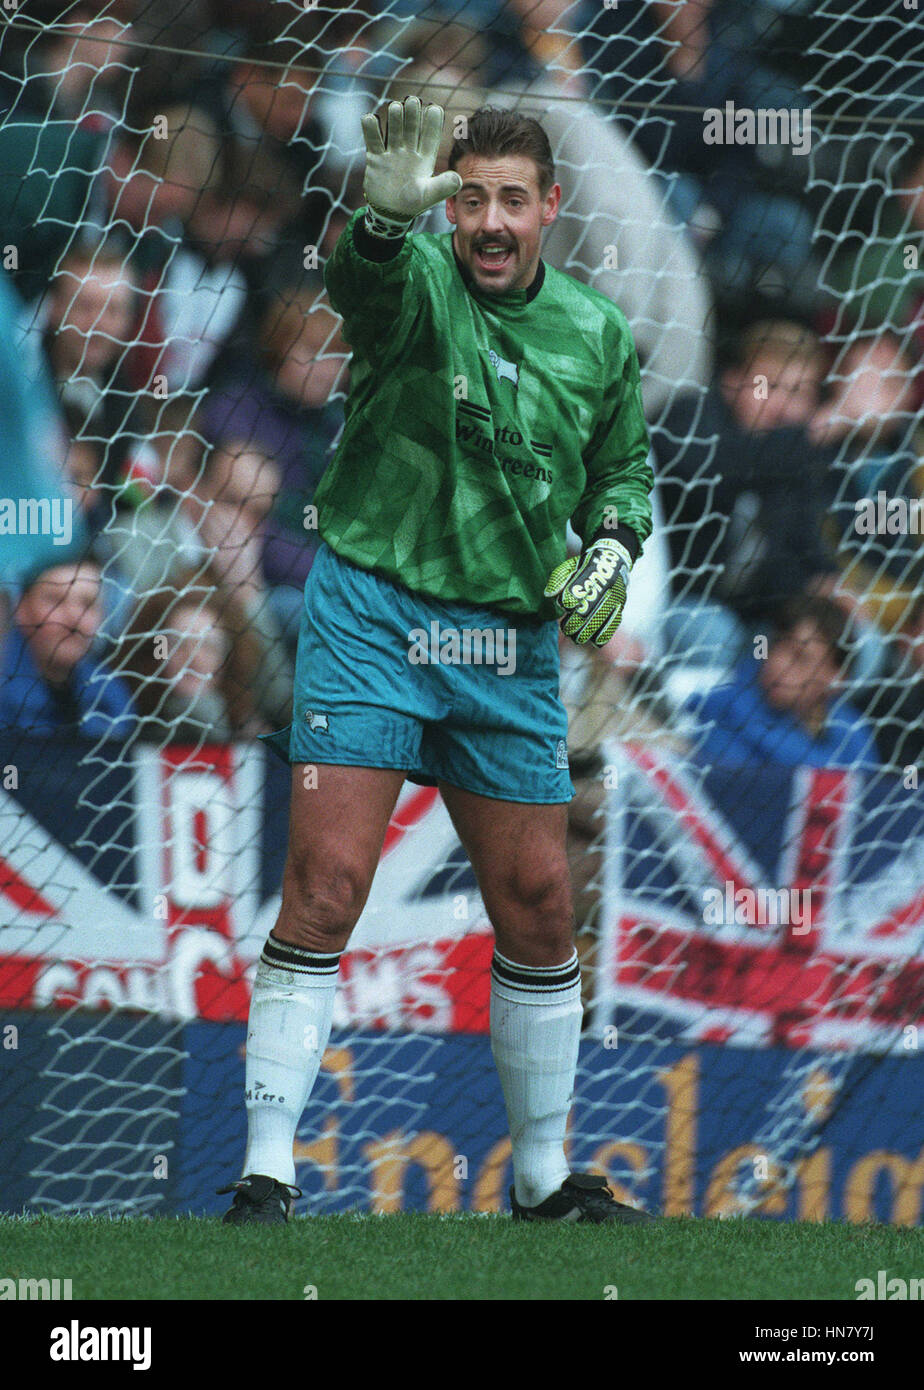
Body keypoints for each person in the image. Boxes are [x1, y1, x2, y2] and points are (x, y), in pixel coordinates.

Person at [218, 97, 655, 1226]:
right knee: (325, 884)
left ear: (551, 208)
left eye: (514, 198)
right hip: (373, 610)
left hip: (504, 641)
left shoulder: (597, 336)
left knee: (543, 901)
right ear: (449, 206)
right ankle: (266, 1170)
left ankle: (543, 1179)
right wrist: (378, 222)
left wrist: (609, 550)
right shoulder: (416, 279)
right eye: (471, 198)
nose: (491, 220)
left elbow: (624, 477)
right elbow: (359, 291)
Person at [682, 595, 879, 771]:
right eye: (775, 646)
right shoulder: (724, 708)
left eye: (799, 657)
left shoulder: (853, 735)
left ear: (836, 678)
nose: (777, 663)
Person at [0, 555, 135, 740]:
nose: (74, 618)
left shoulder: (110, 693)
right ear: (22, 609)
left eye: (88, 604)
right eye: (56, 600)